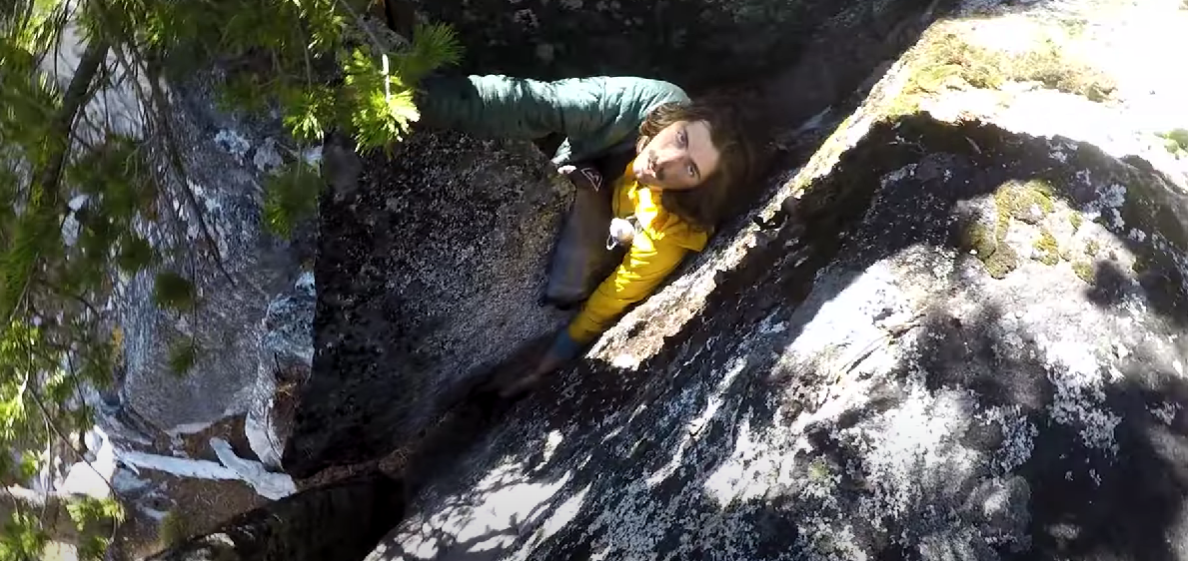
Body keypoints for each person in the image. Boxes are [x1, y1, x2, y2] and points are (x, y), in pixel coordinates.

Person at [415, 74, 752, 397]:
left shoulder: (669, 233)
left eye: (690, 168)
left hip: (602, 222)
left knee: (573, 273)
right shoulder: (646, 102)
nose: (666, 162)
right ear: (676, 119)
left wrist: (556, 354)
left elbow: (614, 296)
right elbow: (542, 102)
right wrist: (419, 101)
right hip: (580, 173)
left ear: (698, 190)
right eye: (681, 138)